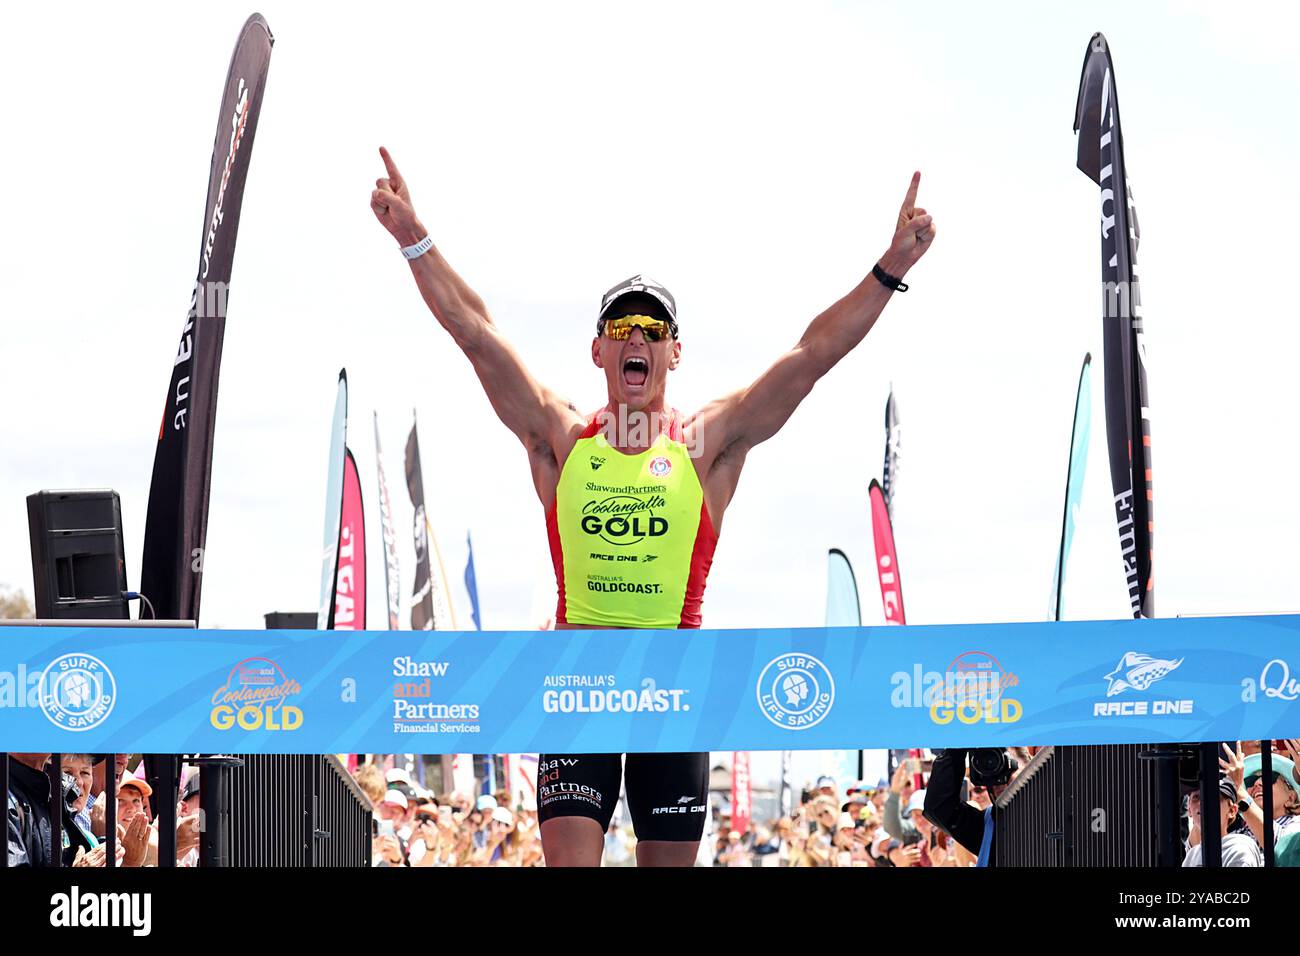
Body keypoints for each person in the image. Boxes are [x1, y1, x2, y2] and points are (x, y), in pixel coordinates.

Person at [370, 145, 935, 868]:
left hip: (674, 683)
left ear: (674, 354)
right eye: (621, 328)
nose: (636, 337)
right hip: (577, 681)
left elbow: (811, 355)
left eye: (653, 330)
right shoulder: (562, 435)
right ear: (599, 352)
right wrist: (414, 239)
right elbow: (475, 333)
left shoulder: (705, 444)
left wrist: (891, 270)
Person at [1184, 778, 1262, 867]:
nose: (1202, 802)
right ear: (1189, 810)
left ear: (1232, 810)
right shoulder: (1191, 856)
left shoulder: (1239, 849)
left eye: (1213, 796)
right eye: (1196, 797)